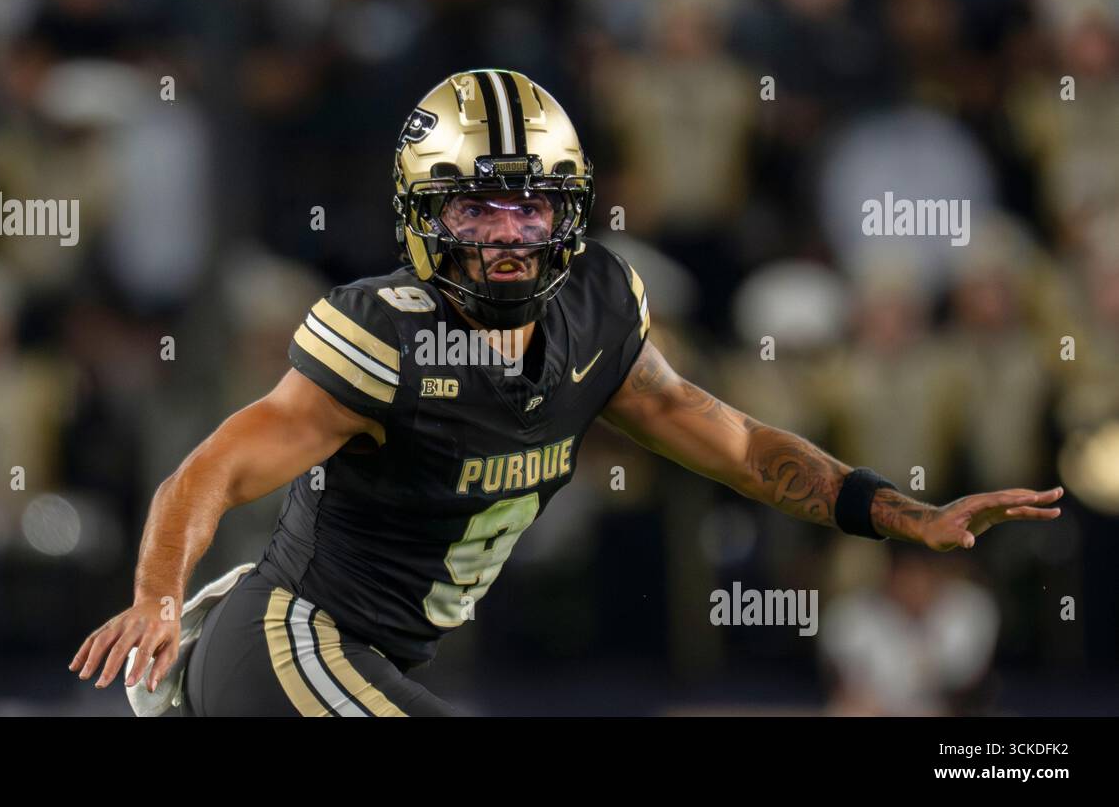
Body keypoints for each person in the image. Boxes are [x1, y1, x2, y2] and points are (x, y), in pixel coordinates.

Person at [69, 70, 1064, 716]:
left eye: (530, 206)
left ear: (569, 211)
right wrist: (155, 595)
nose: (507, 234)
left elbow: (739, 446)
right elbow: (209, 471)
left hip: (365, 658)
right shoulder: (386, 332)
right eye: (476, 206)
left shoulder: (598, 306)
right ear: (425, 213)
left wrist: (892, 509)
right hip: (287, 638)